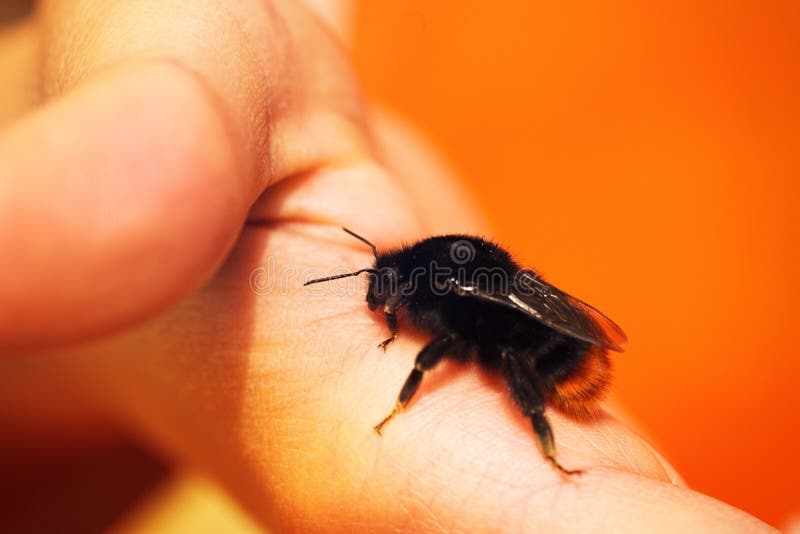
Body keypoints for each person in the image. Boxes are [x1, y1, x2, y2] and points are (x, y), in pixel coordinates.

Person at [0, 1, 776, 531]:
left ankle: (545, 447)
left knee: (507, 355)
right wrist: (108, 321)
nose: (388, 308)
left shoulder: (450, 295)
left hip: (586, 376)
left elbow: (453, 339)